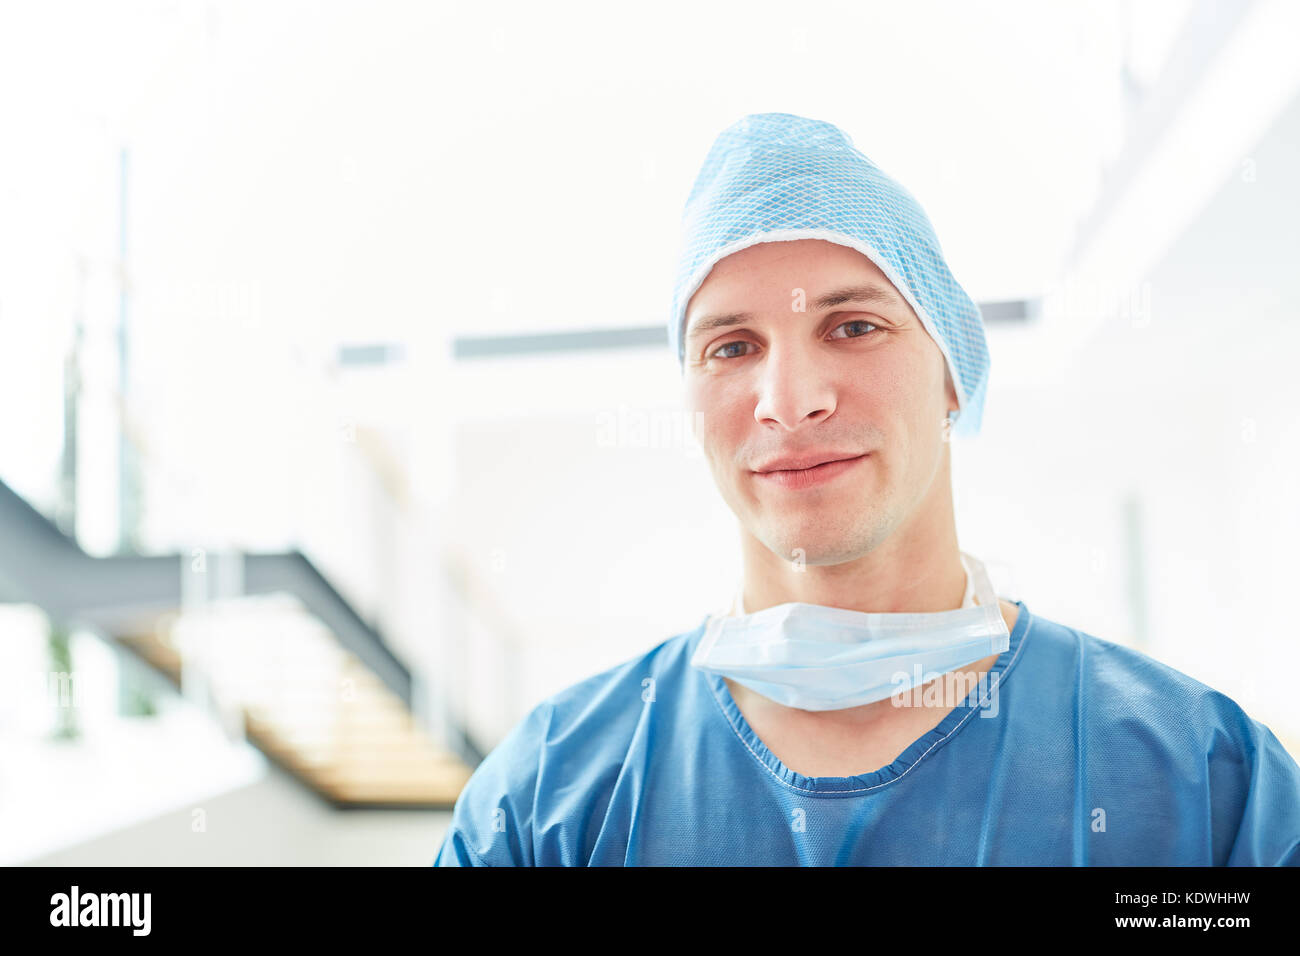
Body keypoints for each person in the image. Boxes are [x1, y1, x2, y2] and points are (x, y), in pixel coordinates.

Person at [433, 113, 1300, 866]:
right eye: (731, 347)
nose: (790, 400)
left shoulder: (1197, 784)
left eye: (854, 327)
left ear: (955, 371)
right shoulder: (551, 799)